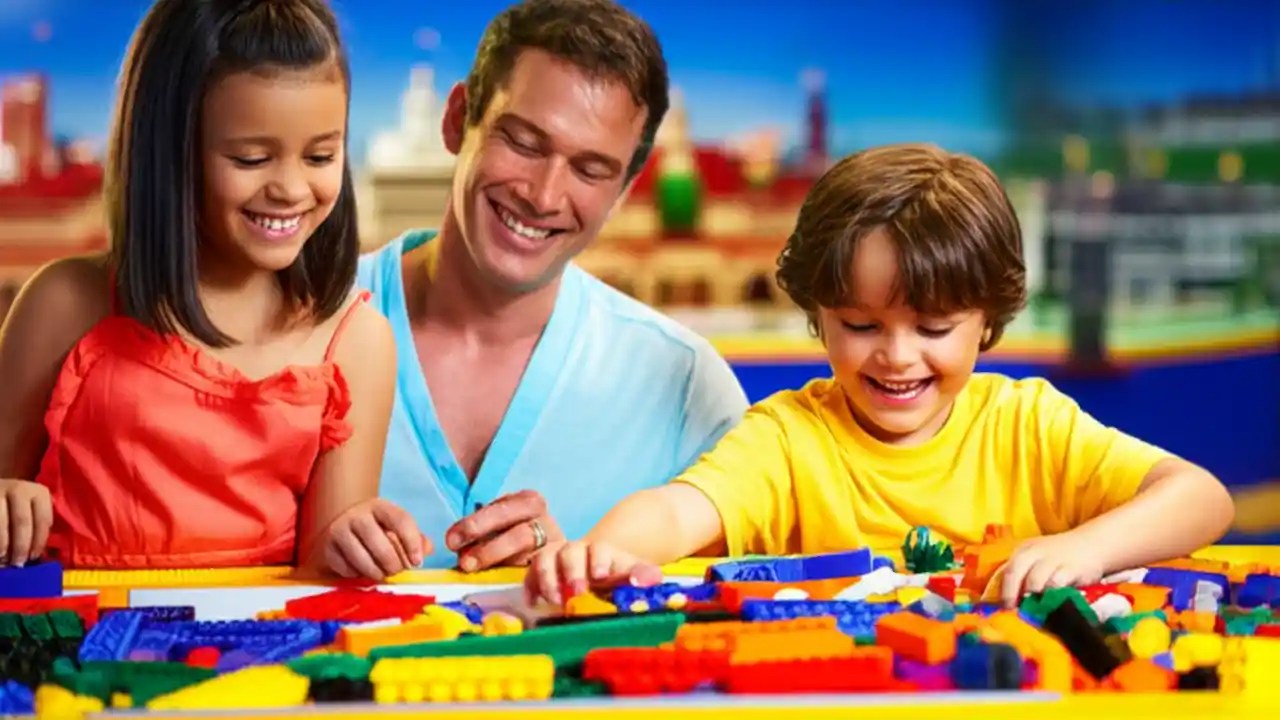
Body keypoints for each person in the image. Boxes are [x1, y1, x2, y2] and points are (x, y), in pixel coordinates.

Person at [525, 143, 1236, 607]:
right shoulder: (790, 438)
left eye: (933, 329)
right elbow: (682, 510)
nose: (897, 356)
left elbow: (1200, 498)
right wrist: (603, 550)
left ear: (986, 319)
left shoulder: (1026, 424)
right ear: (818, 315)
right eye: (861, 326)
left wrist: (1086, 547)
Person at [0, 0, 423, 579]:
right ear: (168, 151)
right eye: (251, 158)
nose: (292, 188)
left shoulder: (356, 342)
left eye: (321, 156)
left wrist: (354, 543)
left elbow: (323, 574)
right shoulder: (65, 303)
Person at [357, 0, 748, 571]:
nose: (542, 196)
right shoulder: (301, 324)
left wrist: (584, 567)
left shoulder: (686, 385)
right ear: (457, 119)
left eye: (590, 170)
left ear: (623, 190)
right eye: (523, 142)